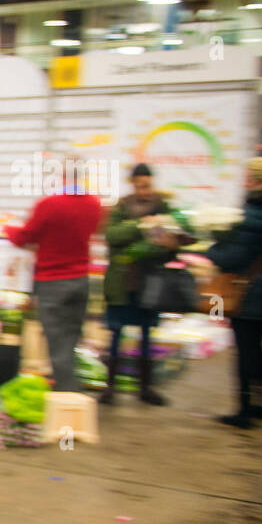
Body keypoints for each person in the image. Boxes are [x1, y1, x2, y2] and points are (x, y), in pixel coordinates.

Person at [3, 152, 102, 393]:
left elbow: (25, 237)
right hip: (81, 281)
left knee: (57, 343)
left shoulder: (49, 205)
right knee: (70, 340)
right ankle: (68, 388)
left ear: (62, 175)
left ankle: (67, 396)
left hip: (52, 283)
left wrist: (6, 228)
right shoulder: (94, 205)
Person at [99, 164, 181, 405]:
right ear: (132, 183)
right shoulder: (121, 206)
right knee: (116, 332)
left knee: (147, 333)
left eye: (147, 185)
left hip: (150, 282)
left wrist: (163, 243)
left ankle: (146, 388)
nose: (144, 190)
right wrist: (141, 225)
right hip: (121, 282)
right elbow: (112, 236)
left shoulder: (162, 207)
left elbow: (168, 246)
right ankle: (110, 387)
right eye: (139, 185)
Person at [205, 158, 262, 428]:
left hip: (249, 292)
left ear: (258, 181)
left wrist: (211, 248)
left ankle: (244, 410)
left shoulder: (251, 215)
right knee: (255, 348)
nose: (246, 181)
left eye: (249, 176)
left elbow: (232, 257)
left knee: (246, 351)